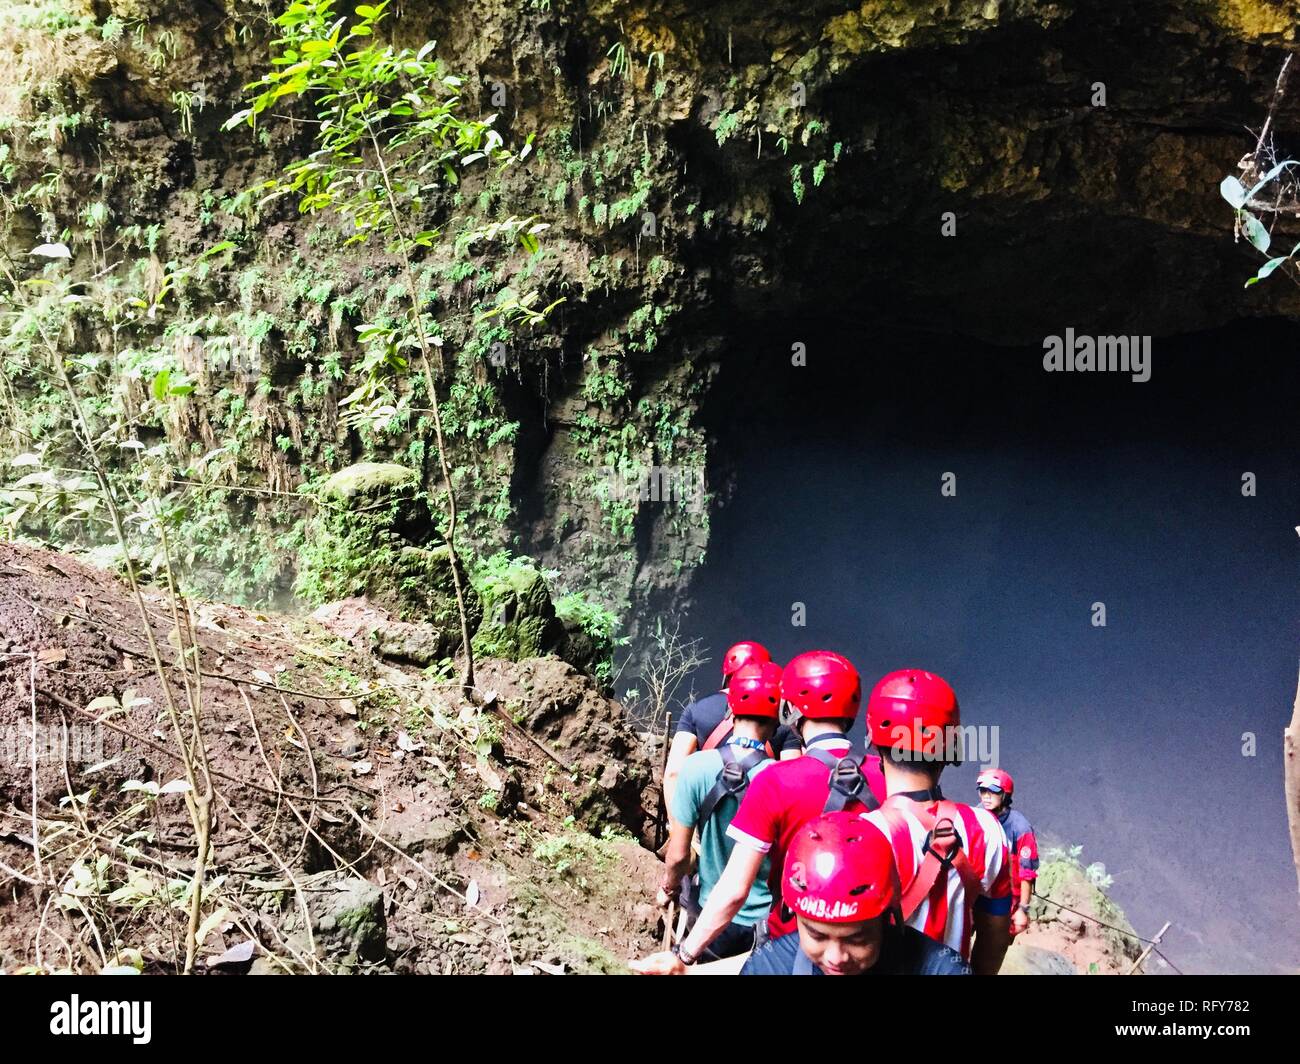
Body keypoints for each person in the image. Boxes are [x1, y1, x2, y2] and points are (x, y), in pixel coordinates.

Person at [630, 650, 886, 973]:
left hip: (792, 941)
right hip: (867, 944)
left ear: (791, 710)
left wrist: (684, 956)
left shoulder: (777, 780)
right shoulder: (885, 780)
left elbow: (734, 887)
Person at [860, 669, 1013, 975]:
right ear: (951, 746)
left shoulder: (865, 833)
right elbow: (995, 934)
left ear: (874, 740)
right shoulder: (987, 829)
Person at [654, 660, 783, 959]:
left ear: (731, 710)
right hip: (765, 925)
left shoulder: (697, 766)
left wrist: (668, 888)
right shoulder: (780, 776)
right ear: (776, 720)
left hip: (711, 916)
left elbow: (678, 856)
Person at [740, 812, 969, 975]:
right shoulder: (768, 967)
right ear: (793, 915)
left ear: (888, 916)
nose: (836, 958)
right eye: (817, 936)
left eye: (857, 939)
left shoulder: (942, 970)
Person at [663, 641, 800, 808]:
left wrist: (679, 828)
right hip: (759, 822)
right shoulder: (782, 722)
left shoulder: (696, 710)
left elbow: (673, 773)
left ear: (727, 676)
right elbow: (792, 786)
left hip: (704, 819)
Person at [976, 768, 1039, 937]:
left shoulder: (1020, 828)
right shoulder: (977, 816)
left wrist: (1023, 909)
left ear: (1005, 795)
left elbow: (1027, 873)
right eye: (983, 791)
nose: (986, 796)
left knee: (997, 940)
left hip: (1007, 898)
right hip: (978, 891)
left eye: (993, 792)